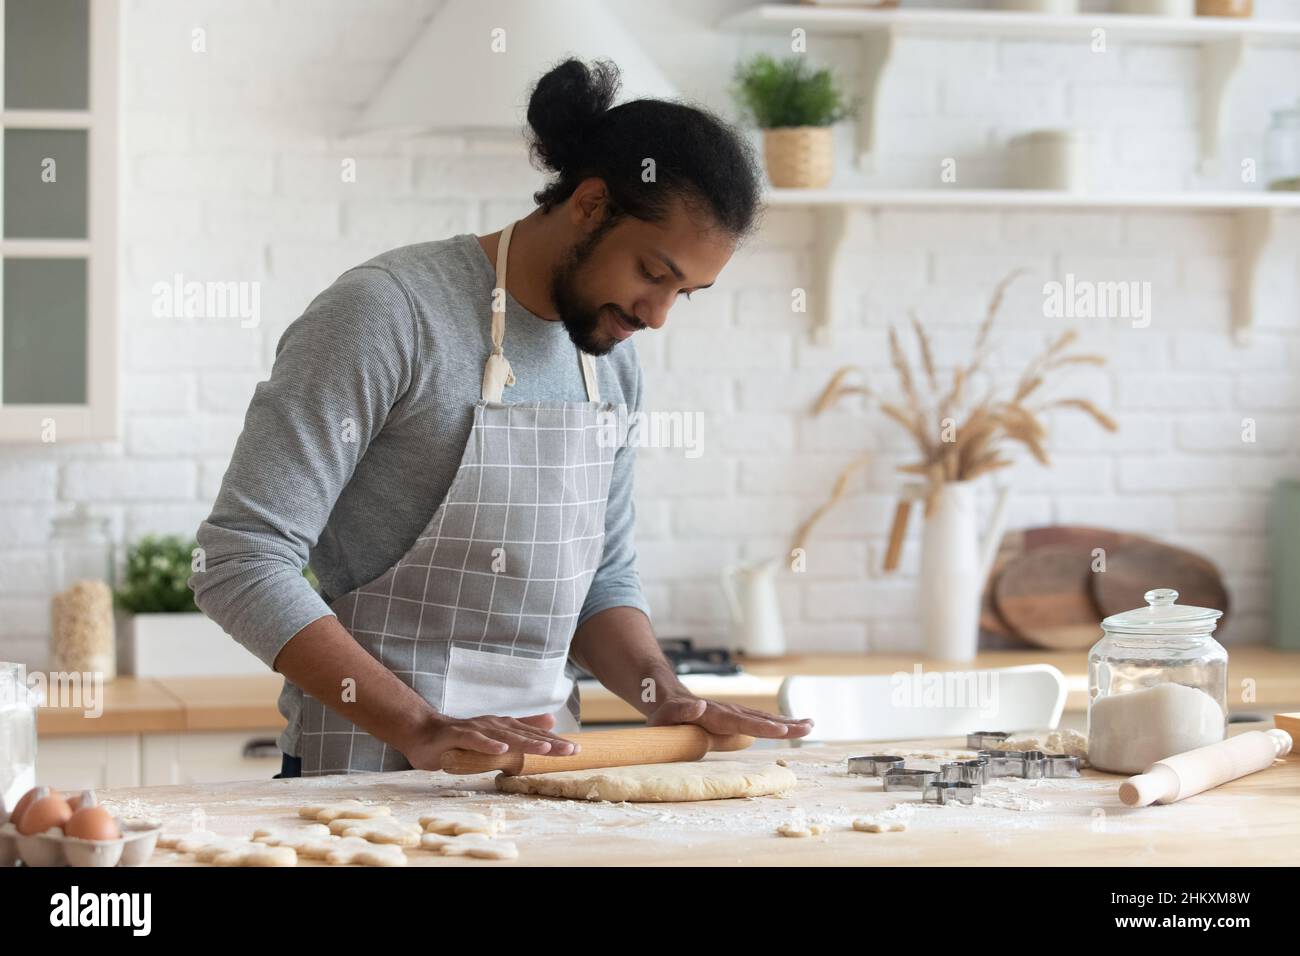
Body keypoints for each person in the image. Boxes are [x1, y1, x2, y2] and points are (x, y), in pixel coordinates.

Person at [190, 58, 813, 778]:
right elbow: (237, 560)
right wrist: (419, 726)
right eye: (652, 273)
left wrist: (665, 695)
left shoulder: (610, 356)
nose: (659, 315)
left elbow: (602, 581)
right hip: (362, 782)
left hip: (546, 783)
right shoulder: (388, 314)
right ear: (588, 206)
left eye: (688, 293)